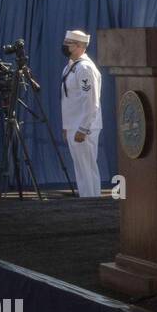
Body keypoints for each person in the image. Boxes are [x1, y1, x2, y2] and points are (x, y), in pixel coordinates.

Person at [60, 29, 103, 197]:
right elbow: (69, 99)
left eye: (68, 44)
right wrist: (67, 126)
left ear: (80, 46)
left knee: (87, 168)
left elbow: (91, 101)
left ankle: (92, 201)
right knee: (80, 168)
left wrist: (83, 128)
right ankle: (87, 199)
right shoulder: (70, 67)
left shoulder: (84, 68)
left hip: (84, 127)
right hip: (73, 125)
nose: (64, 46)